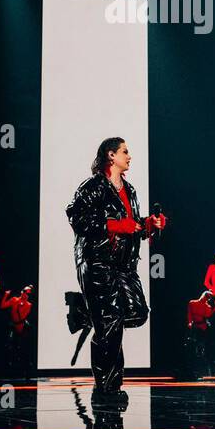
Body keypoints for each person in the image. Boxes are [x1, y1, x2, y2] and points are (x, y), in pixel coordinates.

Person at [65, 137, 166, 407]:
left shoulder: (129, 190)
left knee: (136, 312)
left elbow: (131, 226)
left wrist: (148, 224)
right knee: (109, 325)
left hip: (123, 263)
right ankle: (107, 388)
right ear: (111, 155)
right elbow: (75, 215)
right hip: (96, 259)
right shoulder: (94, 186)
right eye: (125, 152)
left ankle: (86, 312)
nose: (129, 156)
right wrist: (117, 225)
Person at [0, 285, 35, 374]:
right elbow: (3, 306)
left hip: (22, 327)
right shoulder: (14, 300)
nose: (26, 295)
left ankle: (27, 369)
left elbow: (23, 316)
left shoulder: (28, 305)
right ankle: (10, 367)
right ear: (22, 292)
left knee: (24, 348)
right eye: (25, 292)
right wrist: (6, 295)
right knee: (10, 345)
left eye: (28, 294)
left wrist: (21, 305)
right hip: (14, 326)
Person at [186, 290, 215, 378]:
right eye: (207, 296)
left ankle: (209, 371)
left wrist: (214, 309)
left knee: (206, 349)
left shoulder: (206, 306)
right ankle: (196, 371)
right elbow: (189, 314)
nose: (207, 299)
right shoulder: (192, 303)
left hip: (204, 328)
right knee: (196, 349)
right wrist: (189, 322)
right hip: (196, 328)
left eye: (208, 298)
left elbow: (207, 315)